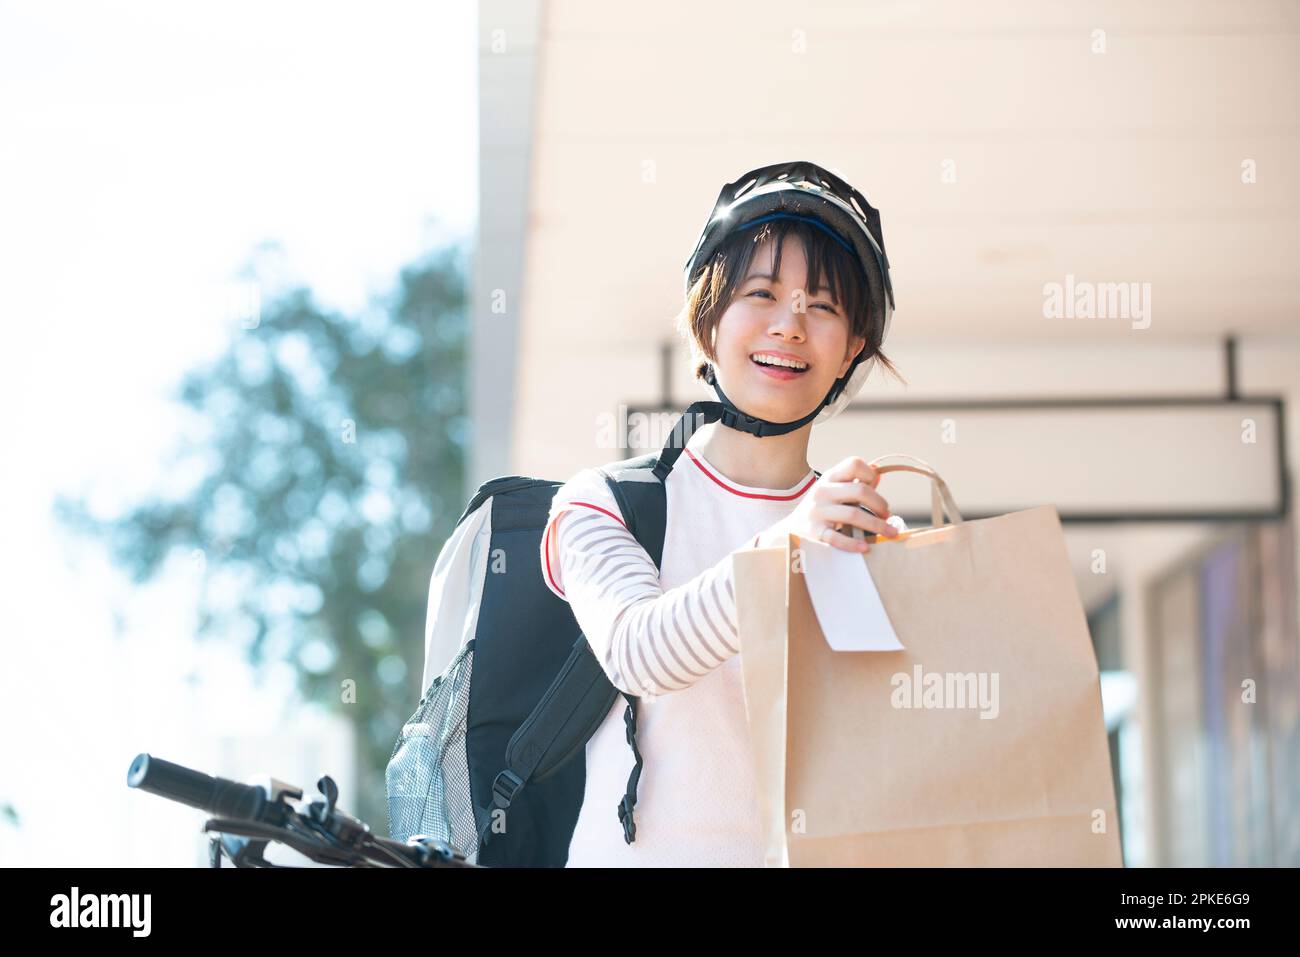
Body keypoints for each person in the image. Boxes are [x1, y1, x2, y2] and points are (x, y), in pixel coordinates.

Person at [537, 161, 907, 867]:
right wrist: (789, 547)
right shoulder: (604, 501)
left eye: (822, 306)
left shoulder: (860, 533)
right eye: (760, 294)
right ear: (707, 321)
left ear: (852, 348)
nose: (789, 325)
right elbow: (639, 652)